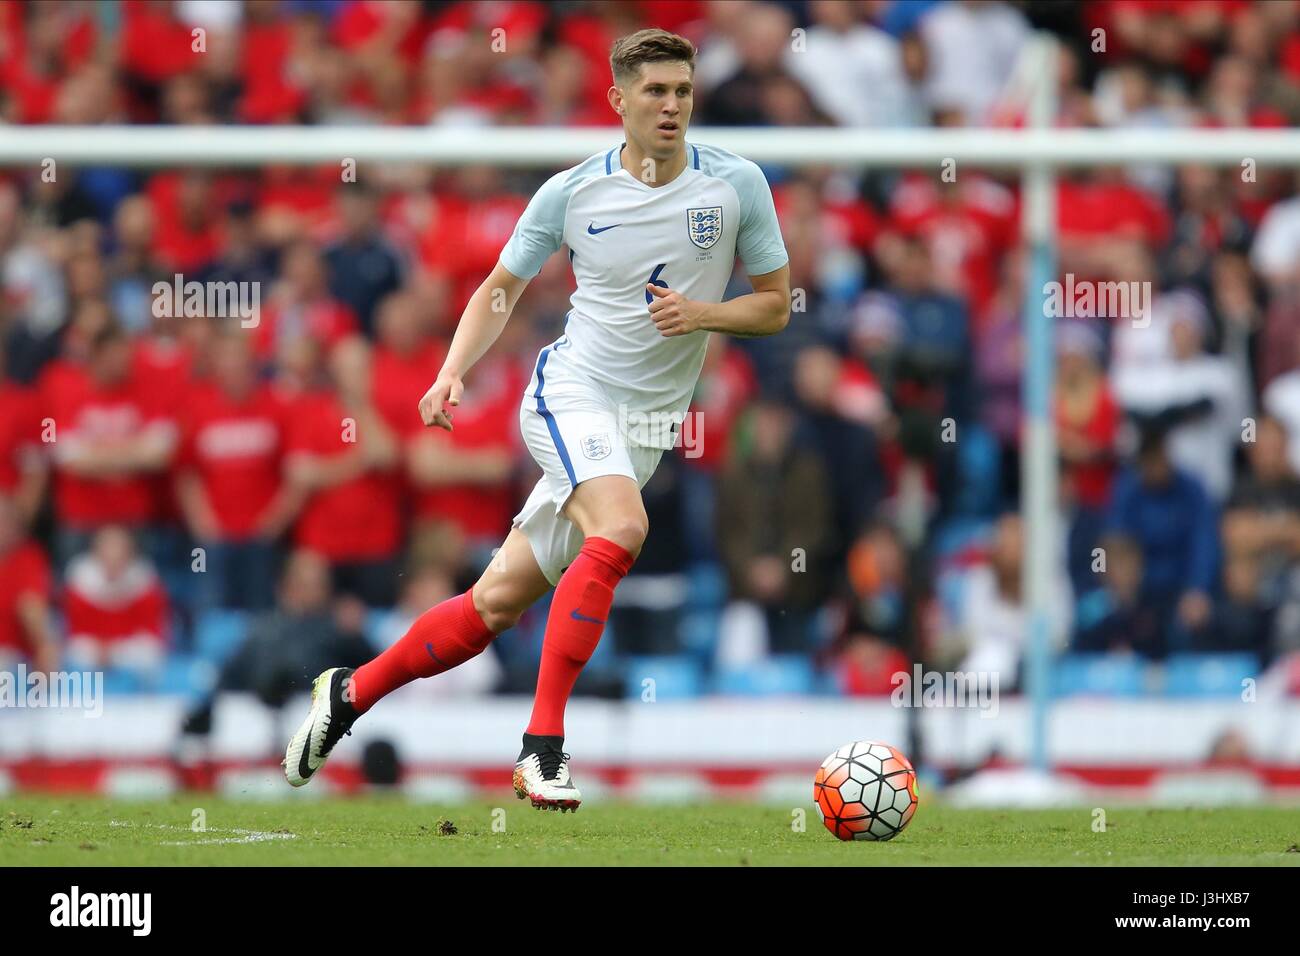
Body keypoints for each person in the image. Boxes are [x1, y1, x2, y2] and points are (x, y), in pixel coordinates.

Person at [283, 28, 790, 811]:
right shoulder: (571, 192)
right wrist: (453, 370)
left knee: (492, 605)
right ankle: (541, 747)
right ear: (618, 100)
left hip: (646, 430)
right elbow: (499, 288)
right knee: (619, 530)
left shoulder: (736, 185)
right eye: (655, 91)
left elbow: (774, 305)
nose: (672, 106)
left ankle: (349, 693)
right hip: (570, 392)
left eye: (683, 91)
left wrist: (704, 313)